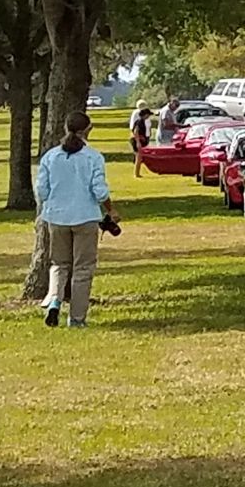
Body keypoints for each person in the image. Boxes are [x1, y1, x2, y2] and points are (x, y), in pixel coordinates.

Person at [34, 111, 119, 327]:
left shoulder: (51, 157)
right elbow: (99, 190)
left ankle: (54, 299)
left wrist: (51, 203)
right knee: (83, 268)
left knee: (59, 264)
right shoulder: (93, 157)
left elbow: (41, 190)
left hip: (56, 217)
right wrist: (111, 210)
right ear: (88, 130)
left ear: (65, 128)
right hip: (85, 217)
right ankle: (77, 318)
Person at [127, 95, 151, 171]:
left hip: (144, 135)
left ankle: (139, 168)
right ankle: (137, 171)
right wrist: (137, 140)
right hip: (139, 136)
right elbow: (135, 129)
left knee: (141, 154)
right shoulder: (138, 117)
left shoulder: (142, 118)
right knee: (139, 154)